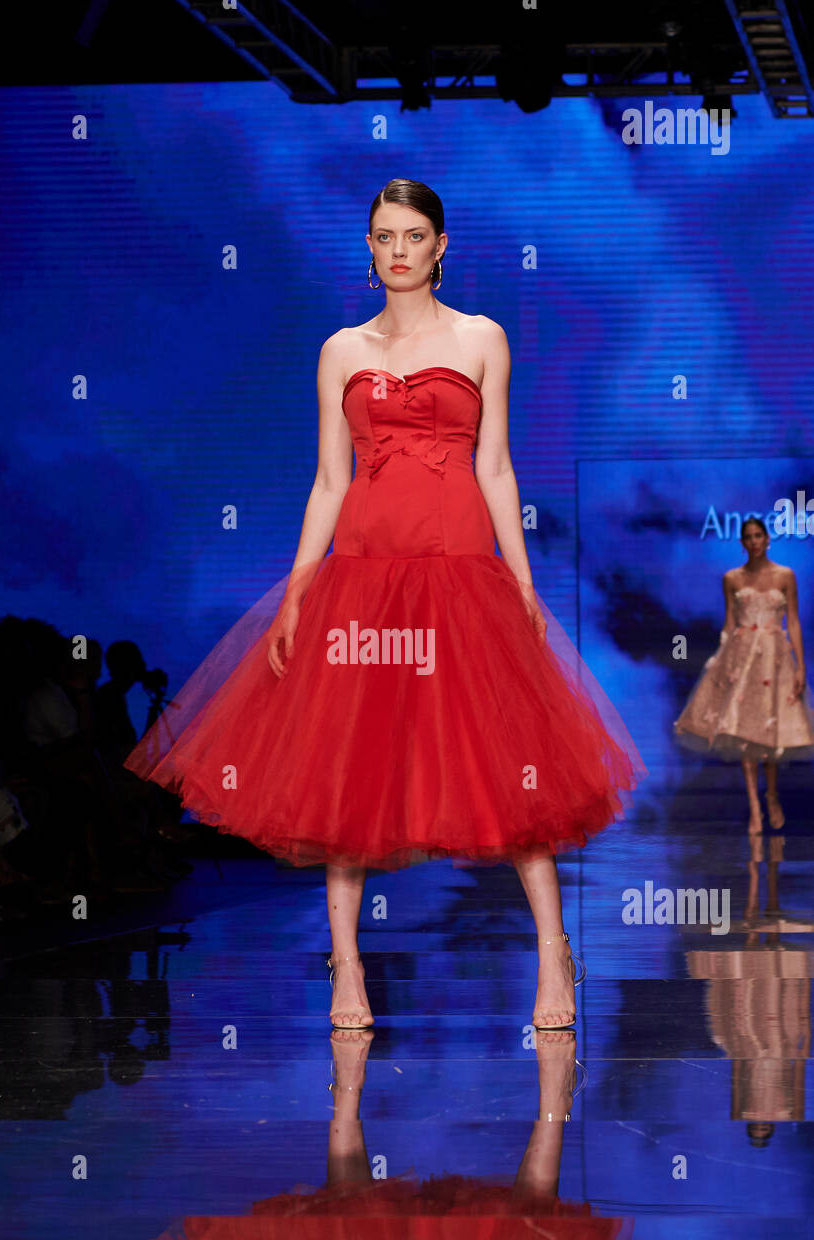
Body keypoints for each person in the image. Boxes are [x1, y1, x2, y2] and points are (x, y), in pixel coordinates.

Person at [124, 178, 645, 1031]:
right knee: (348, 771)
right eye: (383, 236)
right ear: (369, 250)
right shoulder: (339, 350)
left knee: (507, 758)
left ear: (443, 245)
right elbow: (330, 480)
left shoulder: (482, 339)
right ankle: (347, 969)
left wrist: (520, 581)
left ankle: (554, 953)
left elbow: (497, 467)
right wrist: (297, 594)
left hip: (461, 573)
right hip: (362, 574)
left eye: (412, 235)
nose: (397, 250)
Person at [675, 515, 813, 833]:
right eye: (748, 536)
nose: (753, 541)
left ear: (767, 539)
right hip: (743, 658)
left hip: (775, 660)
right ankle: (754, 807)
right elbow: (729, 623)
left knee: (770, 734)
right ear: (742, 542)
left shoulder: (785, 576)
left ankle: (773, 796)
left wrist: (802, 665)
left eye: (758, 535)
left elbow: (792, 621)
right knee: (745, 734)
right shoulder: (732, 579)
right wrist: (721, 661)